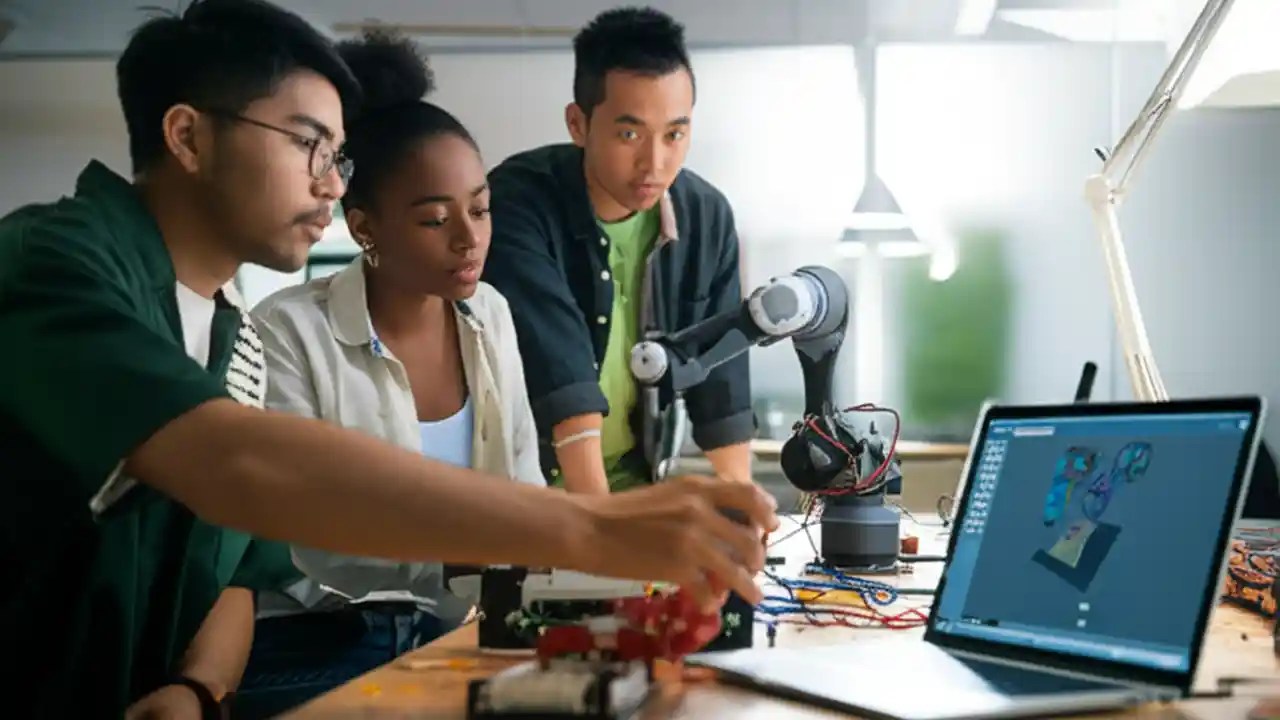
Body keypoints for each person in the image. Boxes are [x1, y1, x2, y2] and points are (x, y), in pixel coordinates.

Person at [0, 1, 777, 717]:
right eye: (309, 144)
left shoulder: (225, 326)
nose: (330, 183)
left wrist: (197, 687)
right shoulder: (56, 261)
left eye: (338, 156)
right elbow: (239, 467)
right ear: (188, 136)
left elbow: (238, 566)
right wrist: (591, 527)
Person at [233, 31, 544, 716]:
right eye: (436, 219)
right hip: (317, 640)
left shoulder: (488, 314)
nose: (470, 238)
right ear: (364, 225)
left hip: (453, 631)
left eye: (482, 208)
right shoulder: (284, 332)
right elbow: (321, 532)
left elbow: (524, 484)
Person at [483, 7, 755, 495]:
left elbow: (723, 380)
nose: (655, 162)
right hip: (531, 498)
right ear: (578, 125)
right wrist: (604, 533)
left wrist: (746, 506)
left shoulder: (706, 215)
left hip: (637, 491)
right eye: (629, 134)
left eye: (675, 134)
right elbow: (558, 366)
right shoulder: (518, 200)